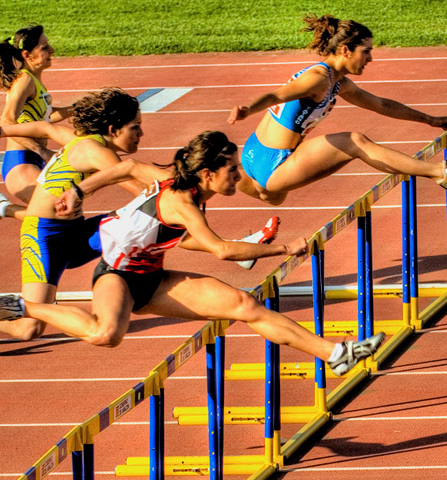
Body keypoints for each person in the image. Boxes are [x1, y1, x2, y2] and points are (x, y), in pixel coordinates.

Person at [0, 131, 384, 376]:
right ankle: (23, 306)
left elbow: (129, 166)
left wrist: (81, 191)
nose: (239, 176)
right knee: (105, 334)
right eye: (232, 170)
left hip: (153, 276)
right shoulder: (182, 202)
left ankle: (336, 354)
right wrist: (283, 248)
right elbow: (220, 249)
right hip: (116, 275)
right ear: (208, 173)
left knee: (244, 305)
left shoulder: (175, 180)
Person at [227, 14, 447, 206]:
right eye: (366, 51)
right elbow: (276, 95)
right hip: (274, 163)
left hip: (253, 154)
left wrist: (429, 119)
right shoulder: (319, 79)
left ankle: (251, 243)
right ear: (345, 50)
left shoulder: (338, 83)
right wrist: (249, 110)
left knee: (272, 196)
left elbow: (380, 104)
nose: (370, 59)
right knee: (353, 141)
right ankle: (441, 172)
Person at [0, 87, 148, 340]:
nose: (141, 133)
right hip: (43, 237)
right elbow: (141, 192)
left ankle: (138, 285)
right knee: (29, 329)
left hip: (75, 232)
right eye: (135, 127)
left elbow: (47, 129)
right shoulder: (98, 152)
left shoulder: (79, 139)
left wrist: (5, 130)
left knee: (135, 223)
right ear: (113, 130)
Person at [1, 25, 74, 216]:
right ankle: (5, 209)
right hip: (21, 161)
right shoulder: (25, 80)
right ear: (27, 55)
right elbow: (7, 122)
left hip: (36, 159)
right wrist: (41, 150)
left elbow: (44, 118)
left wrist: (78, 108)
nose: (52, 50)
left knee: (60, 209)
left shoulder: (34, 79)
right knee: (55, 210)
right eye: (44, 47)